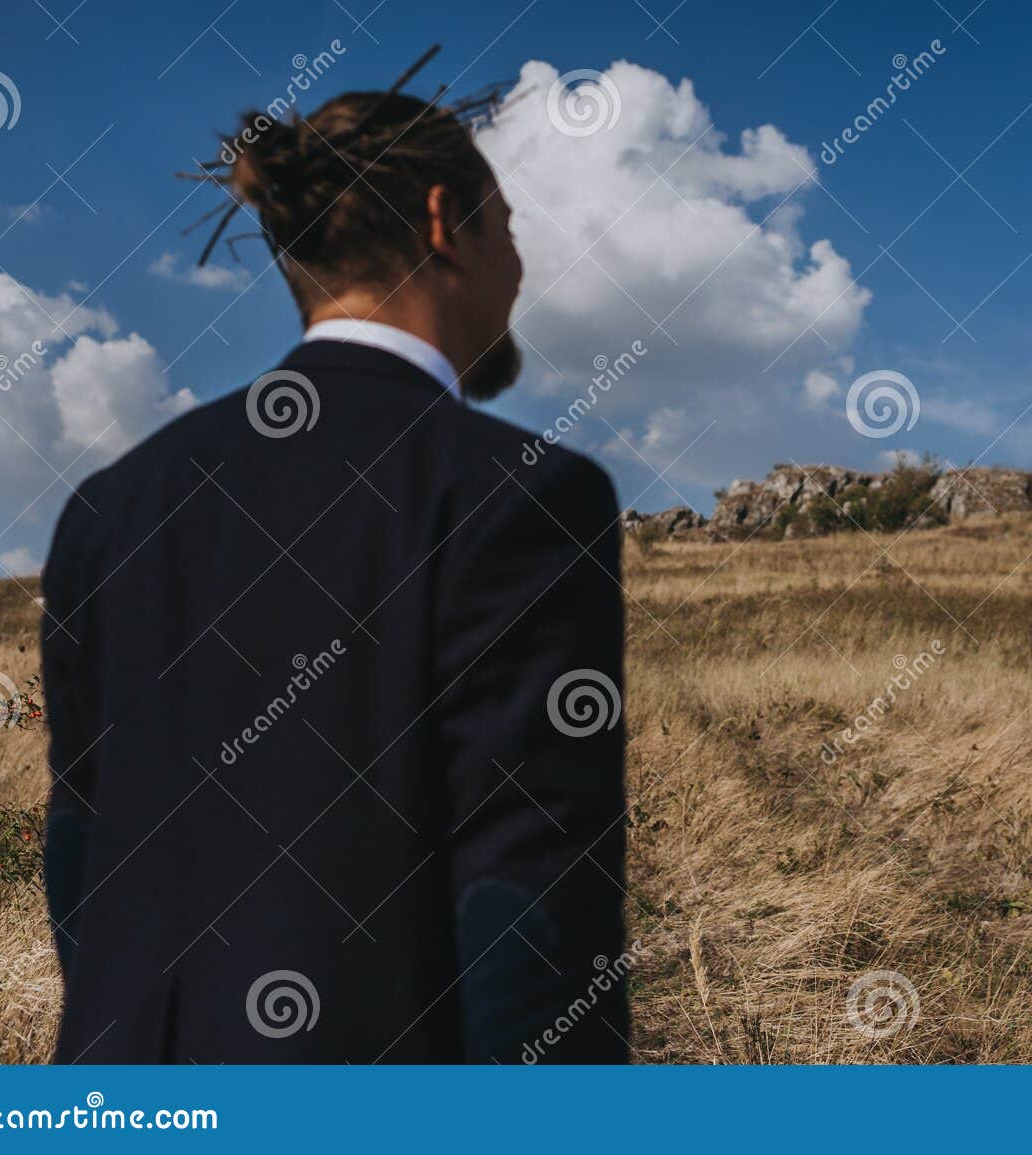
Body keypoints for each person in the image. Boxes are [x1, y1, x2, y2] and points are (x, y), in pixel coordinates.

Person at [39, 73, 628, 1062]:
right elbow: (527, 908)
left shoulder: (111, 506)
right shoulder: (523, 496)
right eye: (510, 229)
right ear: (447, 221)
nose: (520, 268)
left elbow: (79, 850)